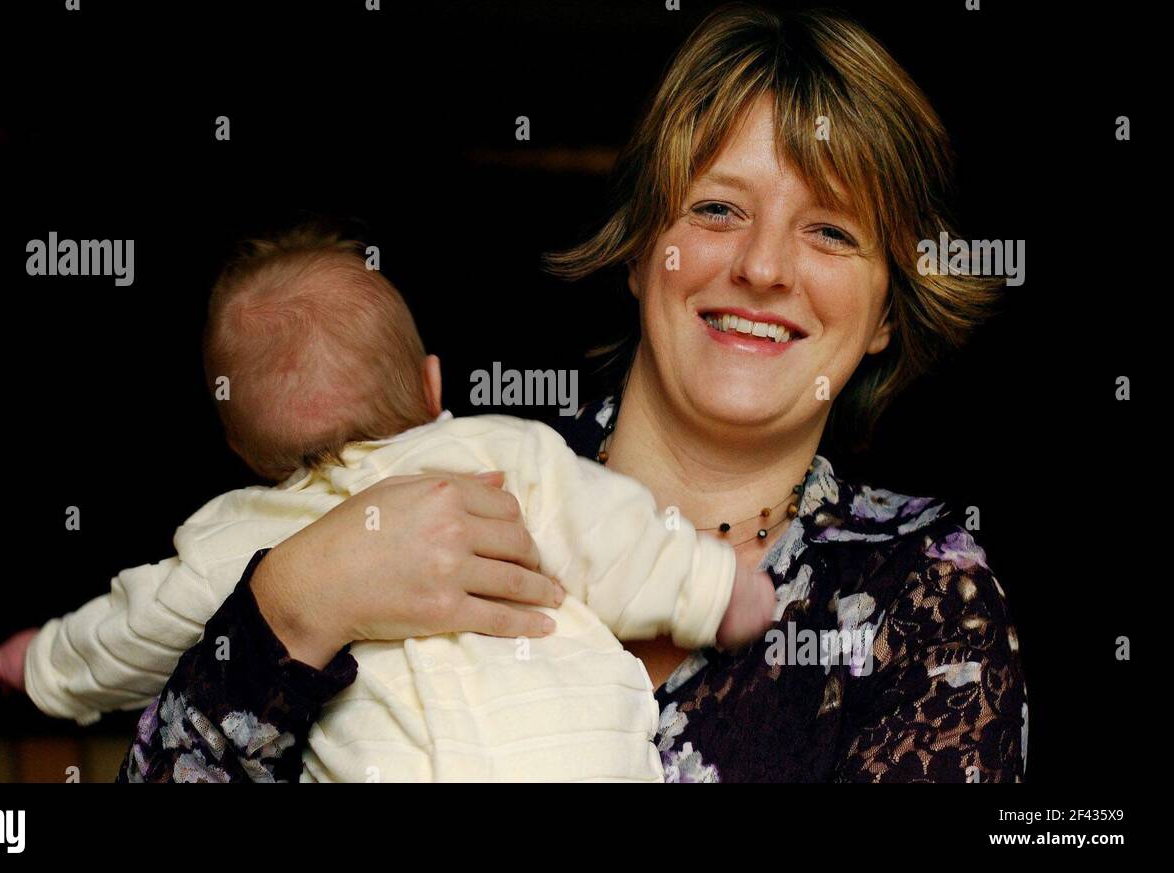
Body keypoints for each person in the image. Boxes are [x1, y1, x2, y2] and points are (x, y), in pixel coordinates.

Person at [123, 3, 1028, 783]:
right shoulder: (437, 472)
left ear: (883, 314)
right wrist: (294, 602)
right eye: (717, 208)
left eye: (830, 230)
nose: (761, 266)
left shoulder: (925, 597)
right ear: (641, 246)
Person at [0, 222, 775, 782]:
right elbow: (615, 536)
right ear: (433, 384)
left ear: (241, 451)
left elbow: (130, 628)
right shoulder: (505, 450)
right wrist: (713, 585)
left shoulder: (236, 538)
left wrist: (38, 662)